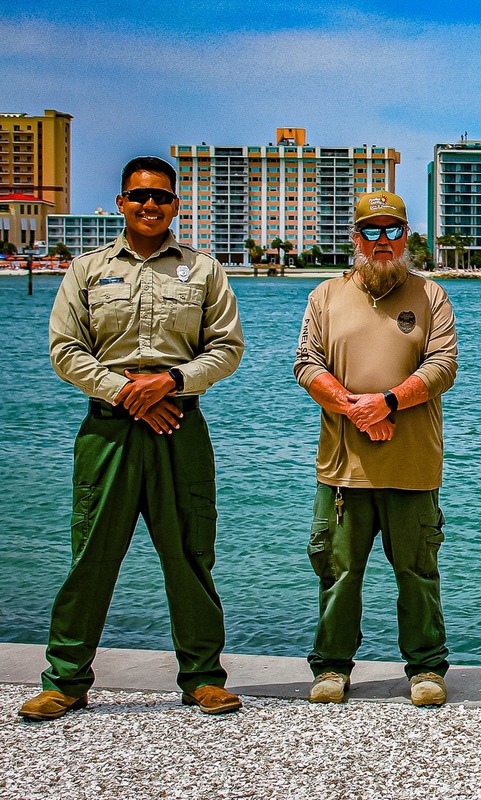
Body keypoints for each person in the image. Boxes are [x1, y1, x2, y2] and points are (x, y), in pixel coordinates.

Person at [21, 156, 245, 721]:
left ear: (176, 204)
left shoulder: (204, 271)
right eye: (139, 196)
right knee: (91, 555)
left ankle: (202, 676)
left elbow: (226, 349)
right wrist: (127, 392)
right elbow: (65, 351)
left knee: (191, 555)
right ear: (121, 202)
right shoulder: (87, 271)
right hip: (109, 430)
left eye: (162, 197)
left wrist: (169, 382)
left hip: (180, 425)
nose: (151, 206)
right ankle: (66, 679)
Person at [294, 190, 458, 707]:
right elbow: (306, 365)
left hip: (413, 467)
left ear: (406, 236)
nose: (382, 241)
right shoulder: (324, 296)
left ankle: (427, 667)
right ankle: (332, 667)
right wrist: (355, 408)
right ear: (356, 237)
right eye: (372, 230)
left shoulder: (431, 296)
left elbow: (442, 367)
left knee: (417, 571)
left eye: (393, 230)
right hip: (343, 468)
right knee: (338, 570)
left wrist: (387, 402)